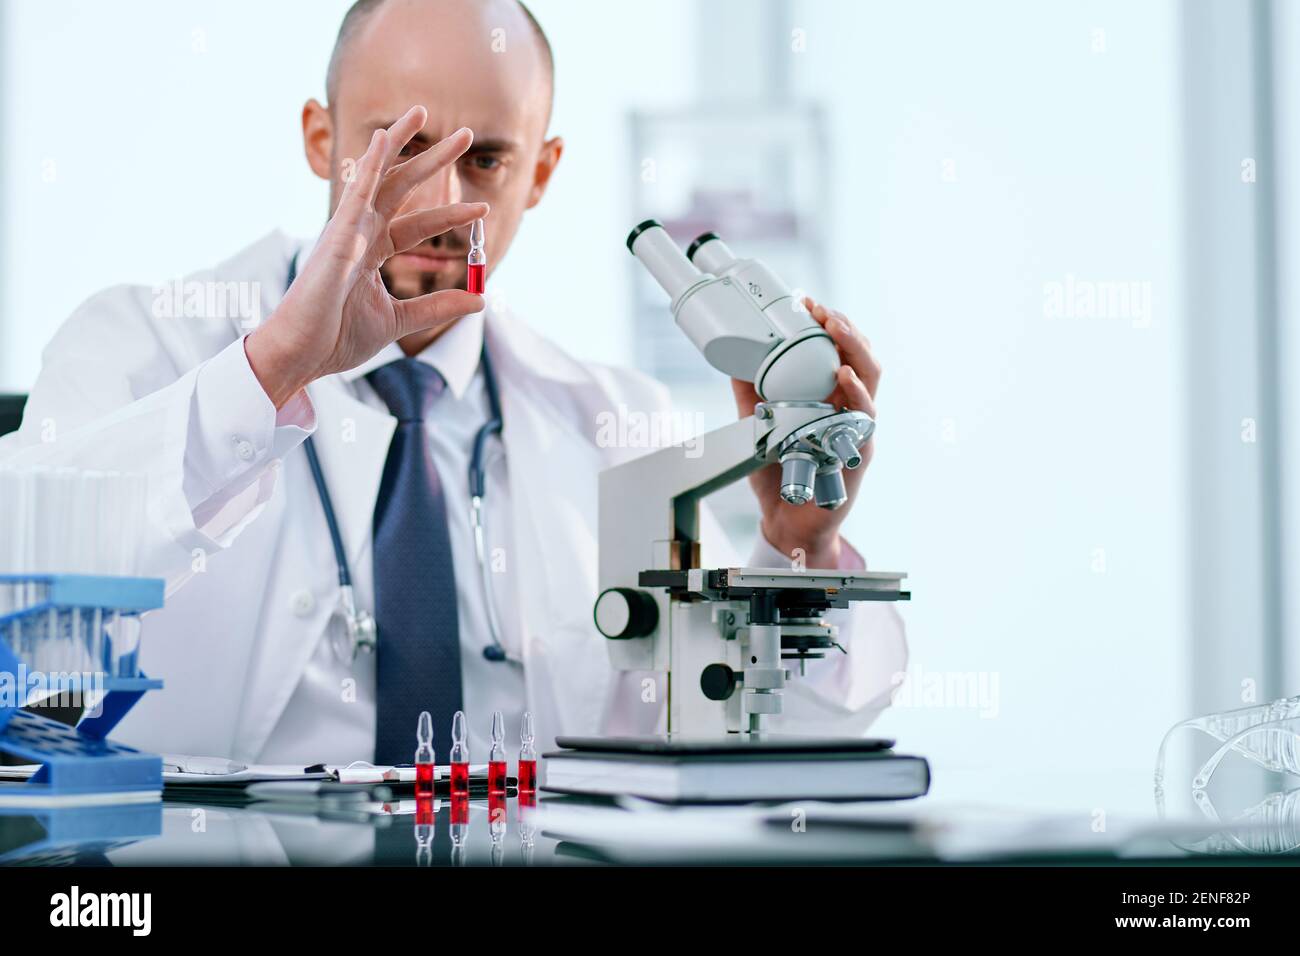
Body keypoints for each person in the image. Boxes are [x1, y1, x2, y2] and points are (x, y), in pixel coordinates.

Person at [0, 0, 905, 763]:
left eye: (486, 160)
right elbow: (21, 581)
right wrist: (274, 367)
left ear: (542, 174)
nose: (441, 206)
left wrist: (801, 553)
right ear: (323, 140)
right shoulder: (136, 343)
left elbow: (740, 741)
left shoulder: (622, 426)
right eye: (404, 149)